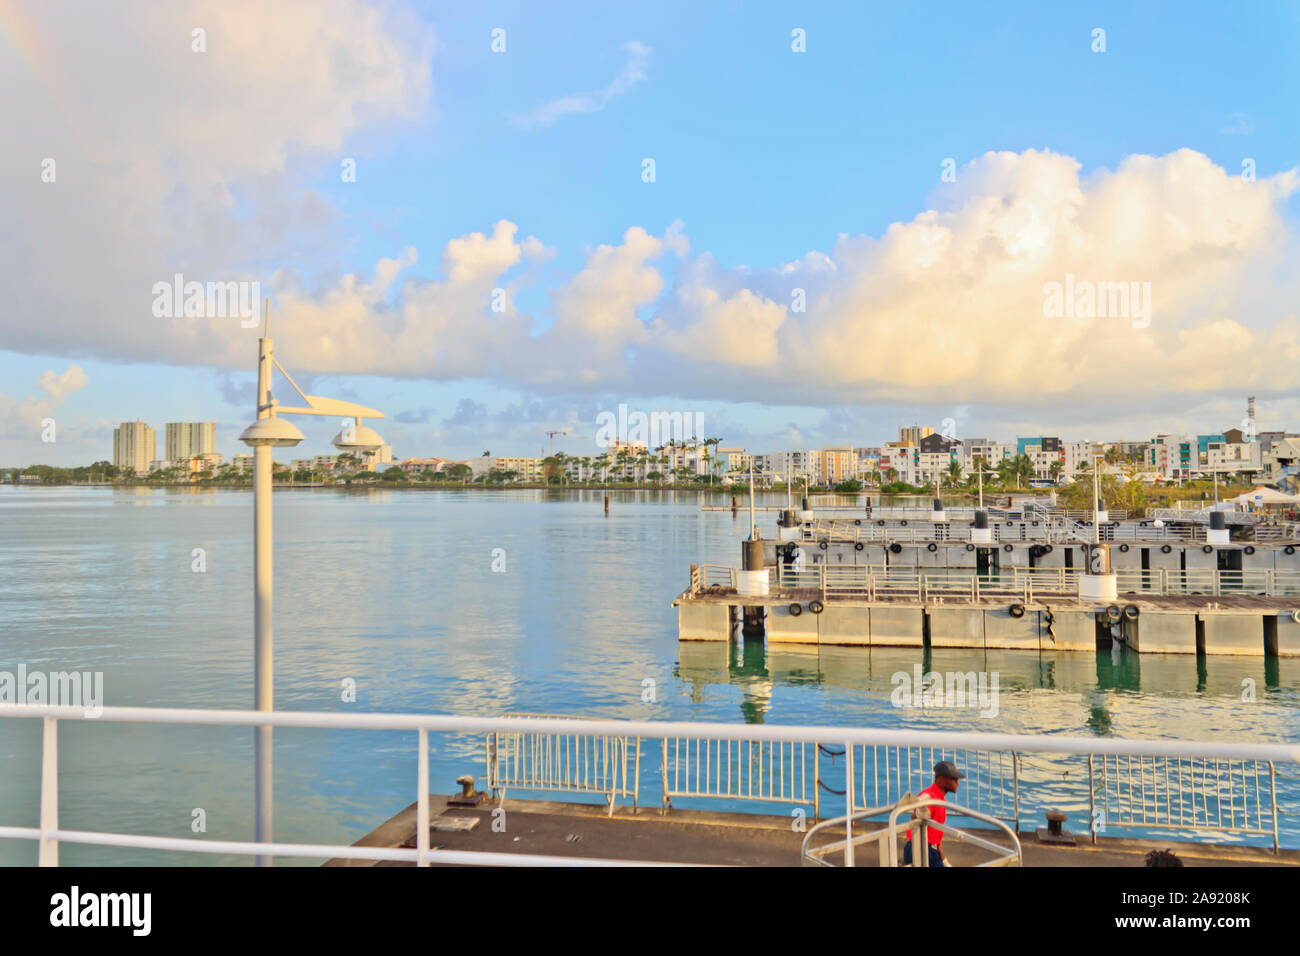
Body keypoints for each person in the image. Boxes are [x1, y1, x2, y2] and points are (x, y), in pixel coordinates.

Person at [902, 761, 965, 867]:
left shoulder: (938, 798)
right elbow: (917, 814)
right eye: (954, 779)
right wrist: (920, 812)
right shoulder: (930, 796)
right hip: (924, 851)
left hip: (923, 848)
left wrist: (945, 861)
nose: (957, 783)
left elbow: (934, 836)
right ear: (941, 778)